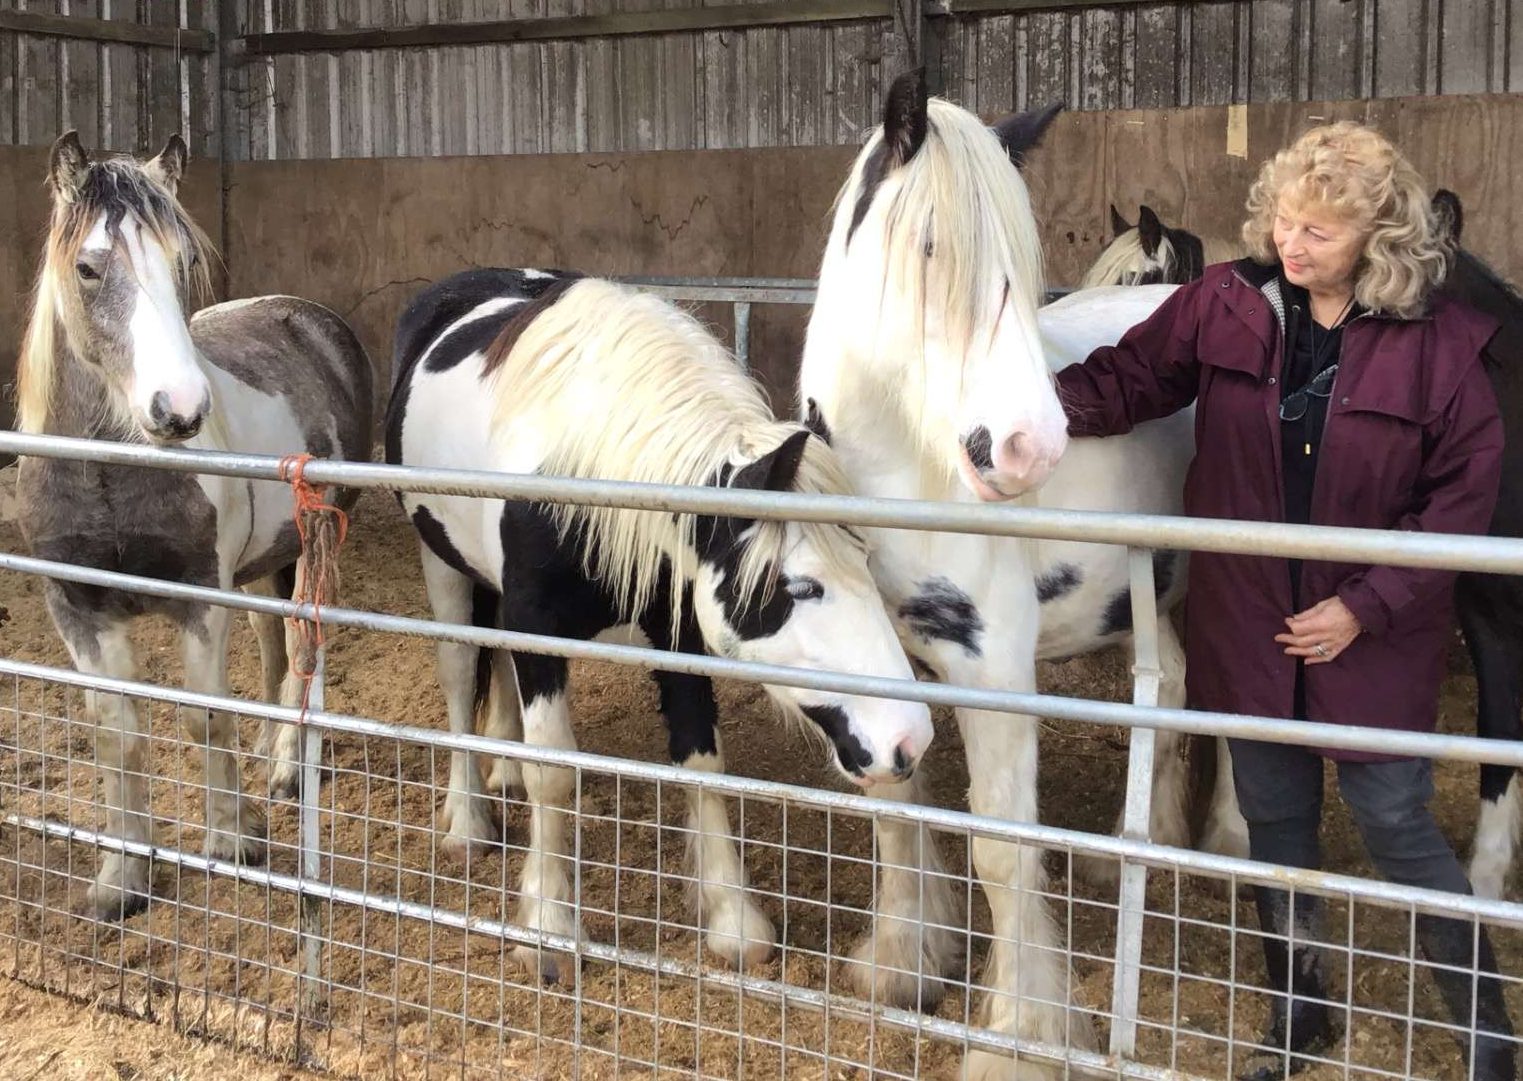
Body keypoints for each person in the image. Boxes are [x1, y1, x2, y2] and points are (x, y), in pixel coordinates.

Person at [1056, 122, 1514, 1081]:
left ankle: (1489, 1036)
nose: (1290, 243)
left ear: (1379, 239)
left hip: (1370, 636)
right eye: (1281, 220)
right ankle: (1300, 1012)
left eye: (1319, 230)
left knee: (1394, 819)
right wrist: (1019, 407)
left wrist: (1366, 604)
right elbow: (1129, 379)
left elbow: (1458, 505)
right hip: (1248, 619)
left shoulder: (1440, 346)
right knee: (1273, 818)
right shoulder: (1220, 303)